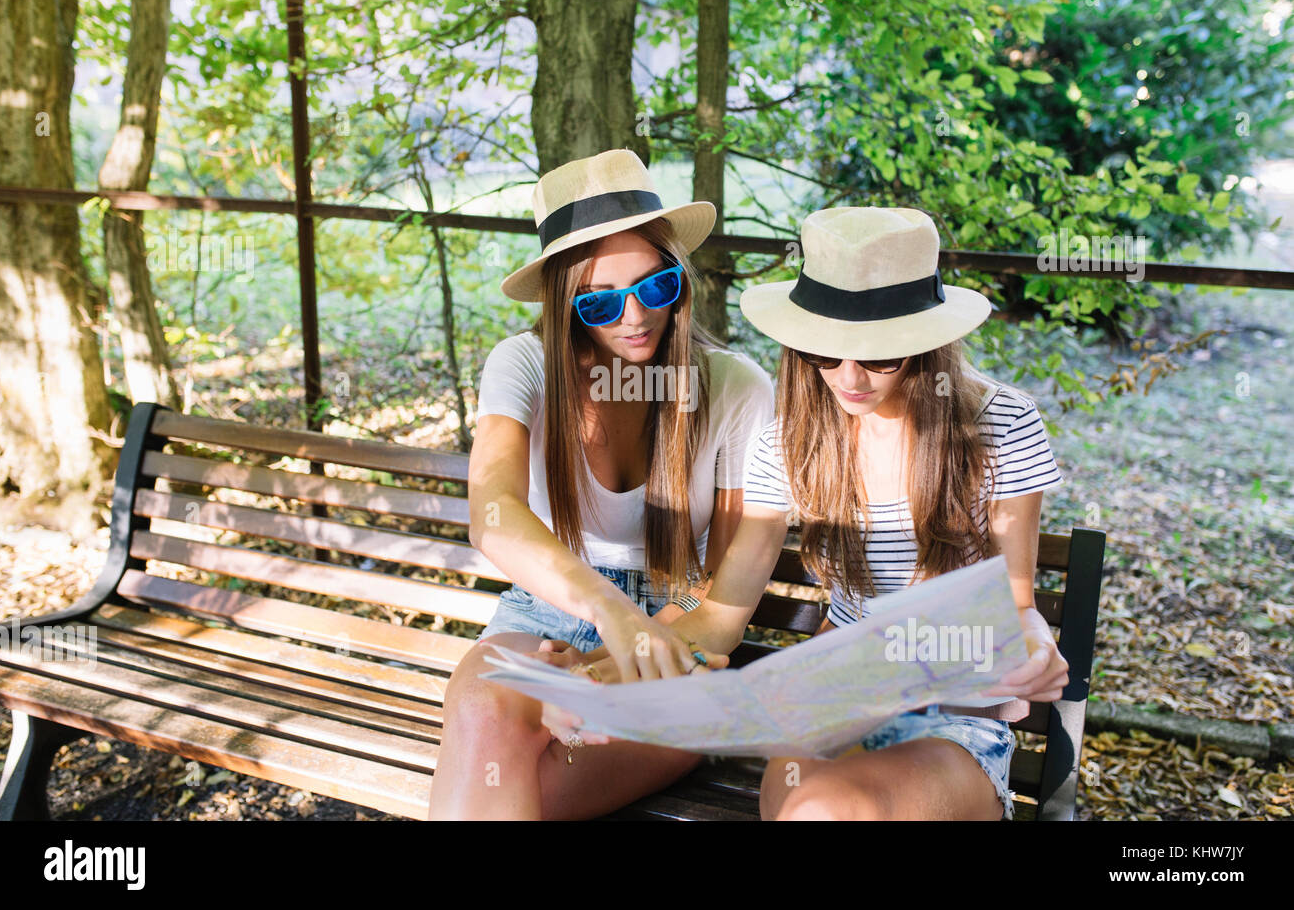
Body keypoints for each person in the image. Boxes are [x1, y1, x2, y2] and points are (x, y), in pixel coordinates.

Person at [554, 206, 1069, 820]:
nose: (848, 379)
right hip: (833, 700)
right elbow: (721, 611)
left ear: (926, 345)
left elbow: (1016, 606)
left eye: (879, 357)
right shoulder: (788, 440)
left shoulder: (1000, 423)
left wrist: (1035, 645)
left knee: (825, 811)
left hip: (951, 716)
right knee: (813, 807)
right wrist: (606, 673)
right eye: (827, 354)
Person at [427, 149, 775, 820]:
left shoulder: (736, 388)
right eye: (600, 300)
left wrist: (602, 676)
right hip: (545, 611)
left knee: (509, 784)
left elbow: (722, 600)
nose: (635, 316)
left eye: (654, 287)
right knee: (483, 711)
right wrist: (608, 616)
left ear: (679, 279)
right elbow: (492, 512)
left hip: (682, 637)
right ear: (564, 302)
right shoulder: (524, 366)